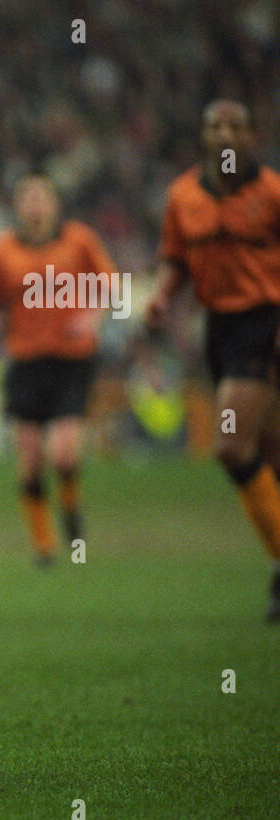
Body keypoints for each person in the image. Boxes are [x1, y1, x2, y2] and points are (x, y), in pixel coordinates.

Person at [144, 99, 280, 620]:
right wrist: (162, 297)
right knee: (267, 453)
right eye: (214, 126)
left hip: (265, 322)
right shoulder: (183, 195)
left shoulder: (272, 193)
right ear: (203, 137)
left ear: (252, 136)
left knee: (229, 445)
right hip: (218, 329)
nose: (224, 134)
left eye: (235, 126)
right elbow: (175, 258)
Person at [0, 173, 118, 565]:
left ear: (55, 204)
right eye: (27, 198)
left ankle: (70, 504)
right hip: (25, 361)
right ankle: (44, 546)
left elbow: (109, 285)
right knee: (31, 460)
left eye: (41, 197)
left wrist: (92, 317)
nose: (35, 205)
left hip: (72, 359)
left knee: (63, 454)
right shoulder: (2, 250)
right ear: (17, 206)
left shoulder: (79, 240)